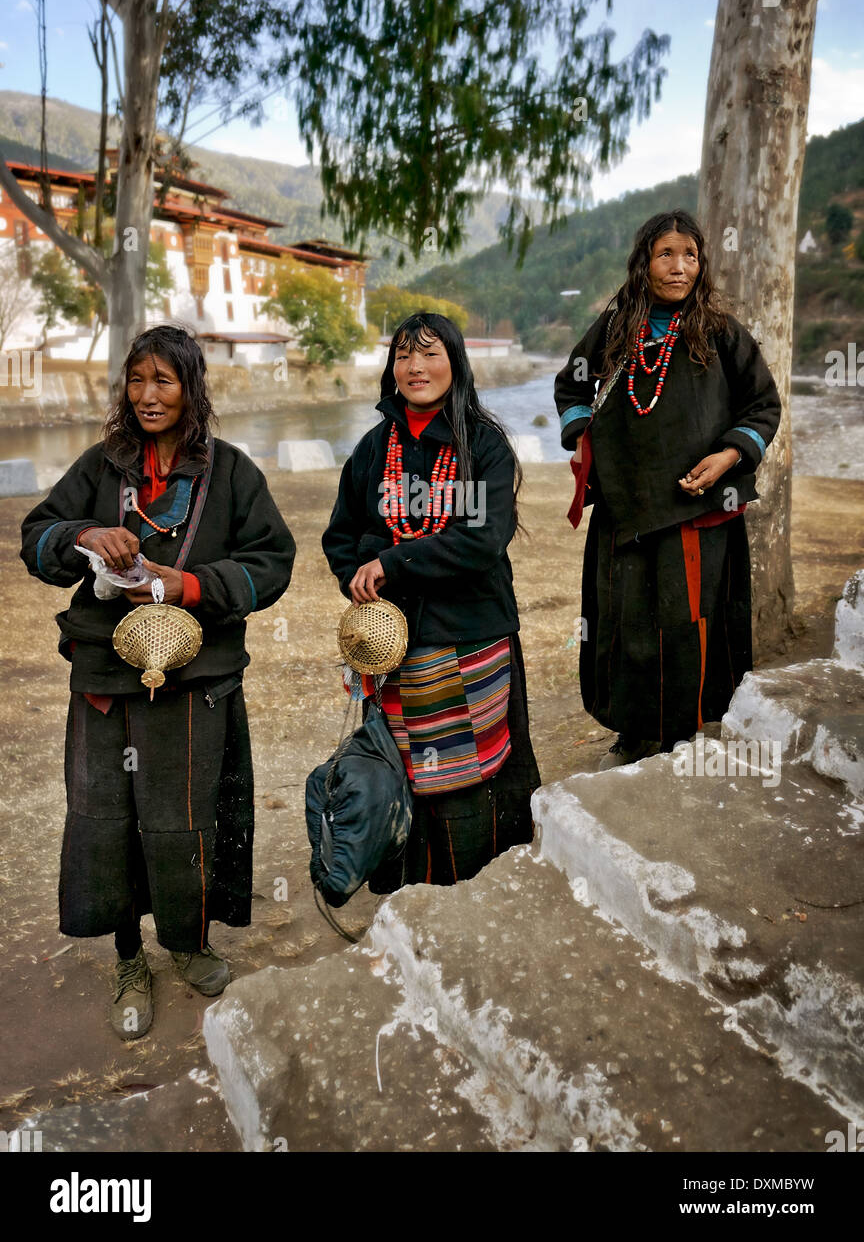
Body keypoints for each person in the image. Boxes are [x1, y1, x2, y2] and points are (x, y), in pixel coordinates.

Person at [21, 325, 295, 1039]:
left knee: (184, 818)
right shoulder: (100, 468)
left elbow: (272, 562)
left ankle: (188, 939)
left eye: (163, 381)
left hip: (194, 680)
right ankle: (128, 955)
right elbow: (36, 534)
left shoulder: (232, 472)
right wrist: (83, 537)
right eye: (136, 380)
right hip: (107, 676)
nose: (147, 395)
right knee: (109, 820)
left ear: (191, 388)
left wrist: (192, 583)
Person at [554, 210, 781, 766]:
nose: (679, 267)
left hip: (693, 510)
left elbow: (763, 405)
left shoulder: (722, 333)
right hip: (624, 508)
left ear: (701, 264)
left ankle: (680, 733)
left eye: (690, 255)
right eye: (665, 254)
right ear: (644, 262)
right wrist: (584, 440)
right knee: (624, 621)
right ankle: (632, 730)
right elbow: (573, 385)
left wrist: (728, 455)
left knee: (684, 623)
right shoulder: (615, 328)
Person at [322, 310, 541, 887]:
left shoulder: (481, 445)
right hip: (393, 645)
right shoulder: (373, 449)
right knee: (405, 773)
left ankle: (475, 888)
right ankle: (407, 893)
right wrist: (356, 575)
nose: (415, 366)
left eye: (430, 353)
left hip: (468, 637)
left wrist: (389, 560)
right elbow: (340, 534)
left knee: (471, 778)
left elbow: (479, 540)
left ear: (456, 363)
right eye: (403, 355)